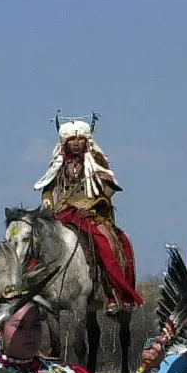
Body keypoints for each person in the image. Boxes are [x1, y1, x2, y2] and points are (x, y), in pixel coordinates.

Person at [35, 116, 142, 311]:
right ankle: (34, 291)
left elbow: (109, 187)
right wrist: (48, 205)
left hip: (91, 212)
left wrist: (93, 205)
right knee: (36, 242)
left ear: (87, 140)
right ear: (65, 143)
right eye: (72, 140)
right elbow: (47, 189)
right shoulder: (58, 165)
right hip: (62, 211)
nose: (76, 144)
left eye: (80, 139)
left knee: (106, 241)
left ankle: (111, 292)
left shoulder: (96, 160)